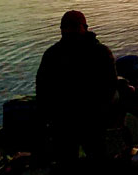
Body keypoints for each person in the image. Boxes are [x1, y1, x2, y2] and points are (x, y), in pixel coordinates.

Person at [36, 10, 118, 162]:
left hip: (90, 120)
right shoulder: (52, 55)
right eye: (67, 27)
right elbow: (42, 90)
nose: (70, 30)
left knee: (93, 158)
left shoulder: (100, 53)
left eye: (73, 26)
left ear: (84, 28)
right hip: (65, 122)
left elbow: (110, 87)